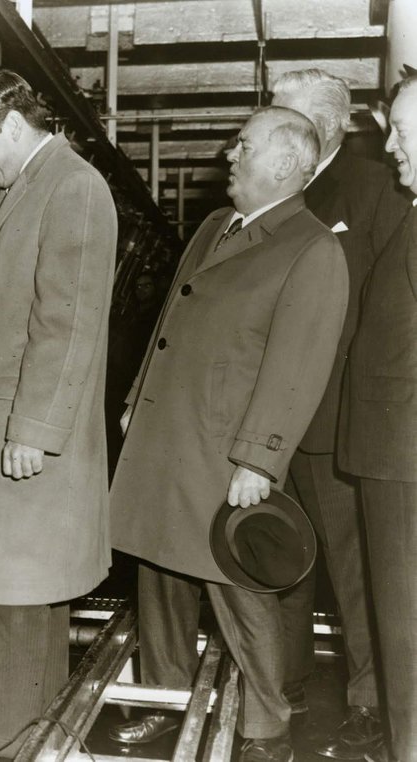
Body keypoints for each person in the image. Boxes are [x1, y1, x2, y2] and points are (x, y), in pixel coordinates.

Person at [109, 106, 349, 762]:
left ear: (285, 164)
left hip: (222, 450)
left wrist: (260, 463)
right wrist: (135, 401)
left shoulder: (311, 246)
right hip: (167, 431)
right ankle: (163, 697)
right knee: (157, 567)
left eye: (242, 147)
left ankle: (269, 730)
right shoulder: (217, 226)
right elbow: (170, 318)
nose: (228, 156)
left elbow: (298, 367)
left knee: (236, 584)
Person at [0, 67, 117, 758]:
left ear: (13, 126)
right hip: (13, 426)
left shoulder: (70, 186)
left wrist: (34, 431)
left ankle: (8, 749)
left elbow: (65, 321)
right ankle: (36, 745)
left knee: (16, 601)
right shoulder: (35, 185)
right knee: (25, 603)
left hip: (27, 435)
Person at [271, 68, 410, 760]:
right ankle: (288, 682)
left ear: (325, 124)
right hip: (277, 419)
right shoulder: (279, 191)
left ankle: (364, 700)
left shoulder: (374, 186)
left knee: (357, 573)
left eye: (281, 111)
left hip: (338, 421)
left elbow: (390, 310)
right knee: (282, 560)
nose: (267, 122)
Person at [339, 76, 417, 762]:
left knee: (408, 631)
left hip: (408, 460)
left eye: (401, 130)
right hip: (397, 455)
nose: (391, 148)